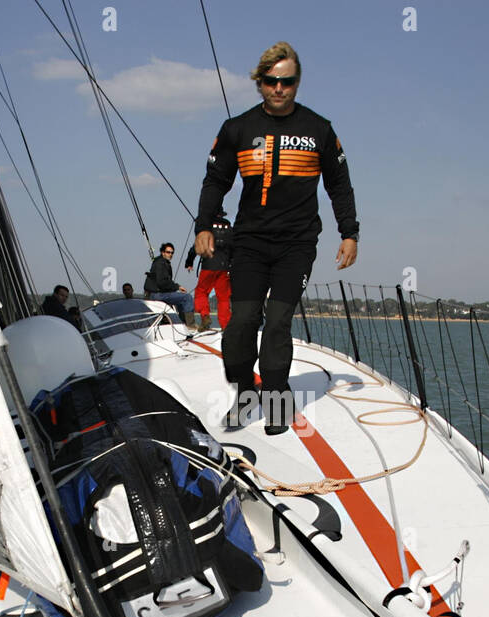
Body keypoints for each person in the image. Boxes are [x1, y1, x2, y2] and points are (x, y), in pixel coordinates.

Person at [195, 41, 358, 434]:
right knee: (241, 323)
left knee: (278, 321)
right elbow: (216, 180)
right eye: (271, 82)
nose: (279, 89)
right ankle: (244, 390)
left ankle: (277, 399)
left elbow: (340, 185)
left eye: (287, 81)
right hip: (249, 242)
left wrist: (349, 233)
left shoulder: (319, 130)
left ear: (297, 83)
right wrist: (203, 225)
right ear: (260, 83)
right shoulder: (237, 129)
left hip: (297, 243)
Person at [184, 210, 233, 332]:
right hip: (225, 268)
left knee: (201, 292)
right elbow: (235, 248)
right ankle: (225, 325)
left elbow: (195, 247)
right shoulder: (230, 230)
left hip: (208, 266)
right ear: (222, 215)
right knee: (223, 298)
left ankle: (205, 316)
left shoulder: (207, 229)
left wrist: (189, 263)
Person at [143, 242, 194, 322]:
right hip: (157, 295)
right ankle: (190, 324)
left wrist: (176, 287)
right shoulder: (160, 263)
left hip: (157, 294)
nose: (170, 254)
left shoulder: (162, 262)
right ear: (163, 253)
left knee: (181, 300)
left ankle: (182, 324)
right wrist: (177, 287)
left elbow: (165, 282)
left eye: (172, 252)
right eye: (168, 252)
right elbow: (161, 282)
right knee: (187, 297)